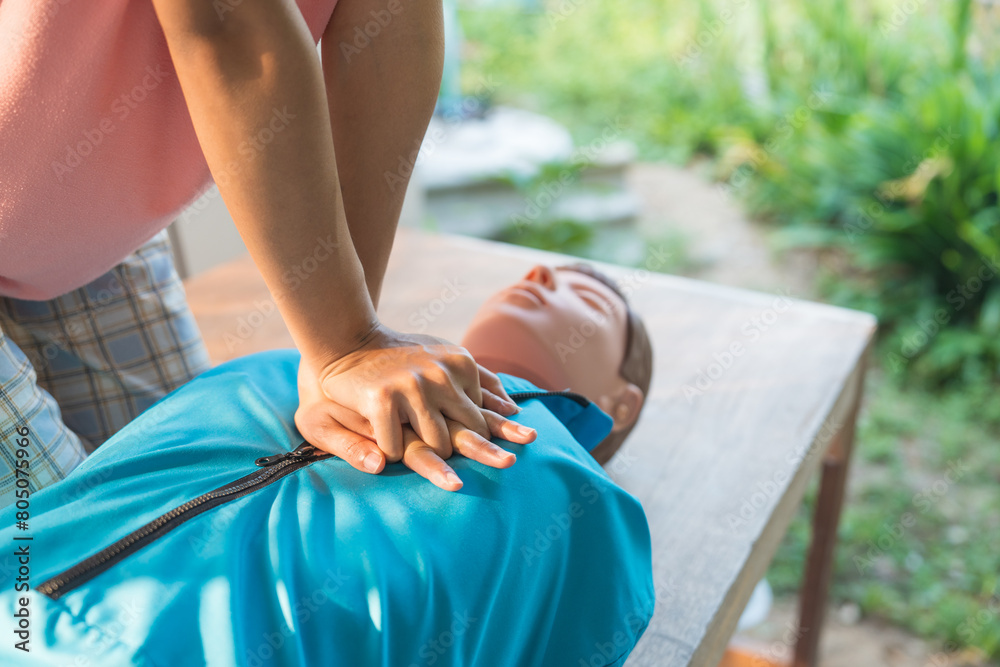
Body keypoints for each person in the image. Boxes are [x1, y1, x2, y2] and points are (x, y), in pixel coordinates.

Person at [0, 0, 528, 508]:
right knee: (54, 567)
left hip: (91, 228)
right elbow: (231, 26)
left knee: (195, 506)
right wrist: (346, 342)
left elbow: (390, 24)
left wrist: (348, 342)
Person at [0, 262, 655, 666]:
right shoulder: (299, 365)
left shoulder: (583, 510)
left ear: (620, 406)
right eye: (536, 270)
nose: (537, 275)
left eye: (589, 298)